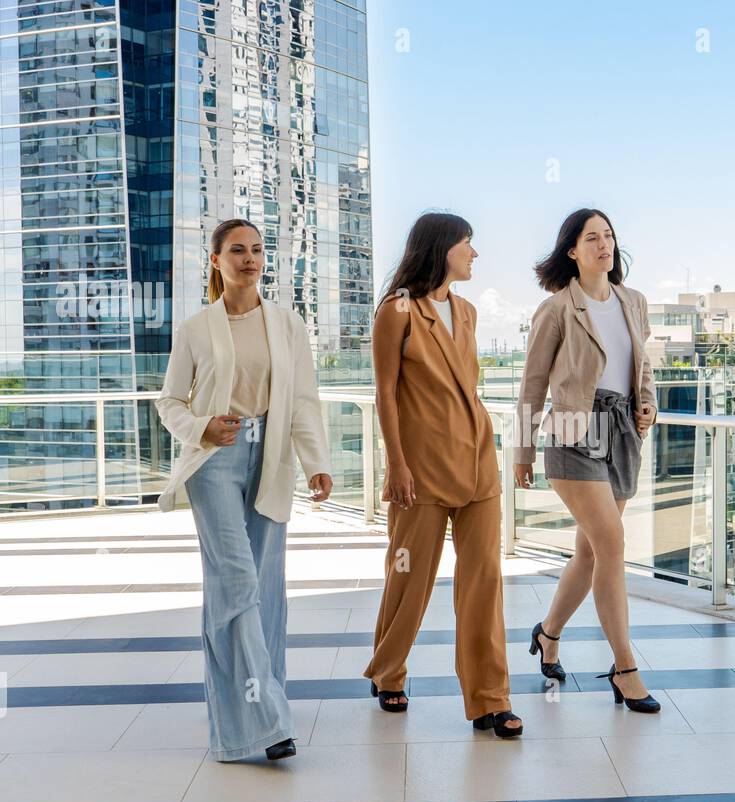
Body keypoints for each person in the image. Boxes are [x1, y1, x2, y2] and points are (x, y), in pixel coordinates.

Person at [156, 218, 333, 761]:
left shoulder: (286, 324)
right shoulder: (195, 328)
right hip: (215, 462)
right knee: (235, 581)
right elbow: (169, 403)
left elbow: (302, 398)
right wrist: (202, 427)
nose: (249, 258)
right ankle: (267, 721)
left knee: (266, 588)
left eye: (256, 250)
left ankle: (251, 716)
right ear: (216, 261)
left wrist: (316, 463)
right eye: (237, 251)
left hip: (272, 455)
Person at [365, 212, 522, 738]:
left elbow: (468, 388)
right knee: (409, 578)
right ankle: (388, 672)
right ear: (441, 248)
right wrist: (397, 464)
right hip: (422, 469)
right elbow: (385, 393)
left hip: (478, 463)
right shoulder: (397, 311)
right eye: (467, 244)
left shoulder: (469, 311)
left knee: (484, 584)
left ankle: (489, 700)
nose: (474, 254)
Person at [514, 208, 661, 713]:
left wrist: (648, 404)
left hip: (621, 431)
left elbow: (640, 368)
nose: (605, 244)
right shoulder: (557, 309)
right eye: (592, 237)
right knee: (613, 544)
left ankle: (548, 633)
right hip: (574, 430)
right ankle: (624, 667)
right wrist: (523, 449)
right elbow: (532, 383)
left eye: (610, 236)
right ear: (572, 251)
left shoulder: (633, 302)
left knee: (591, 551)